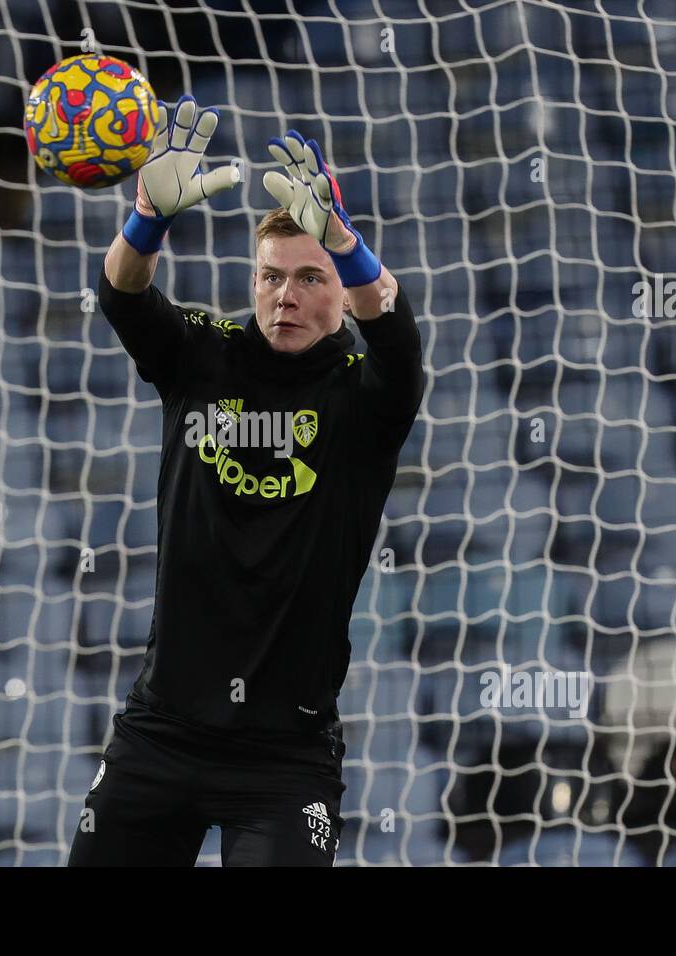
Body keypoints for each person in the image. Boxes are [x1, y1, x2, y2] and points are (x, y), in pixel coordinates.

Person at [67, 95, 423, 866]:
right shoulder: (204, 352)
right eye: (270, 278)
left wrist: (345, 240)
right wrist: (145, 221)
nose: (286, 295)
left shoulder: (367, 396)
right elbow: (121, 297)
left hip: (285, 755)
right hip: (161, 729)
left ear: (339, 293)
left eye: (309, 277)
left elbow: (398, 335)